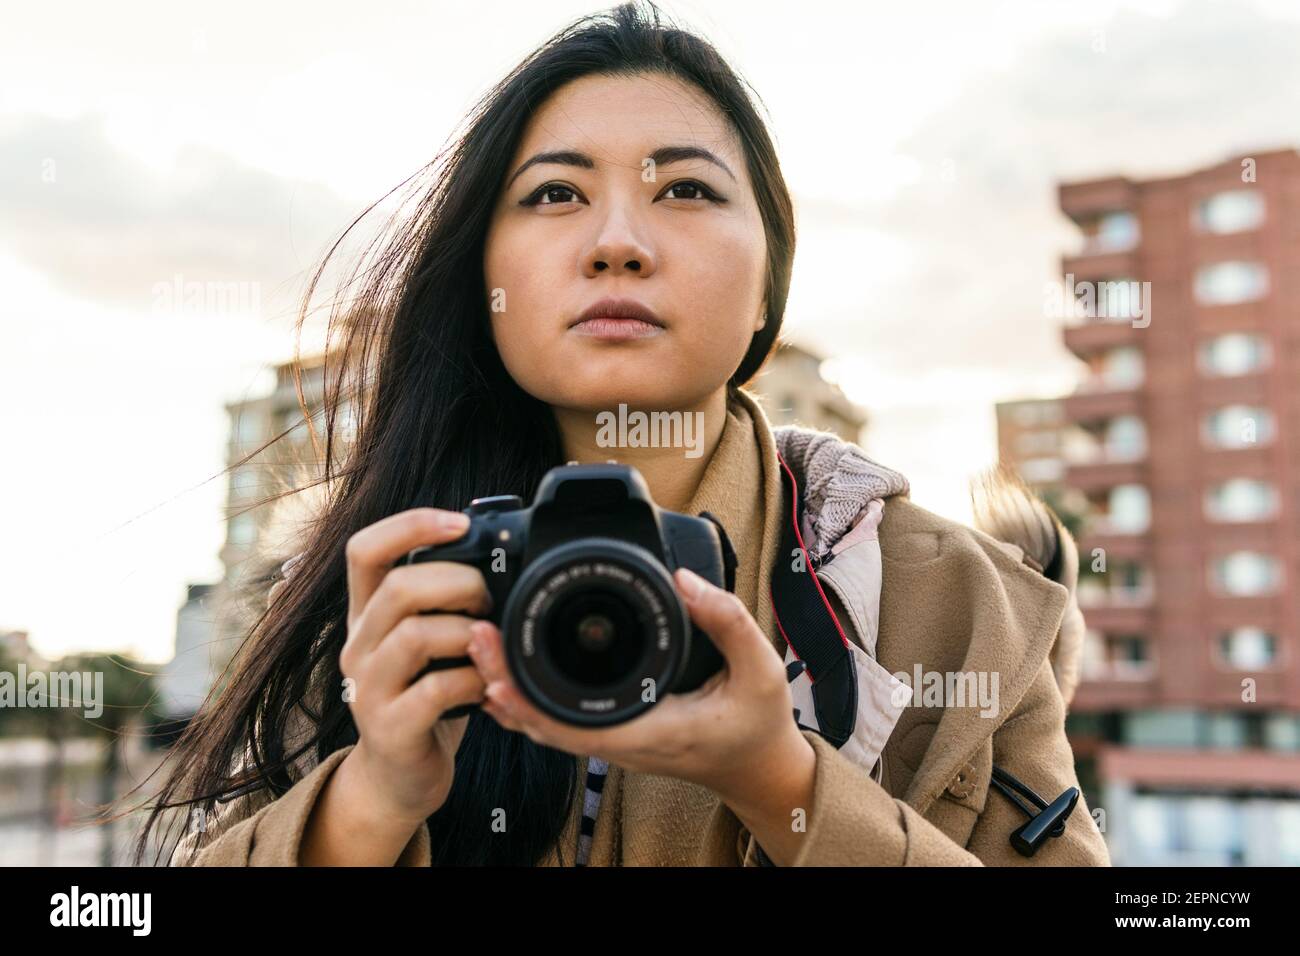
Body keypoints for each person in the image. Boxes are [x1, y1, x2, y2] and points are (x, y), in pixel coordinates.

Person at [136, 0, 1110, 867]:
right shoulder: (372, 598)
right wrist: (367, 804)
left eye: (684, 189)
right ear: (483, 274)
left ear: (771, 276)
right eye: (554, 194)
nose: (617, 240)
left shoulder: (970, 612)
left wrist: (785, 784)